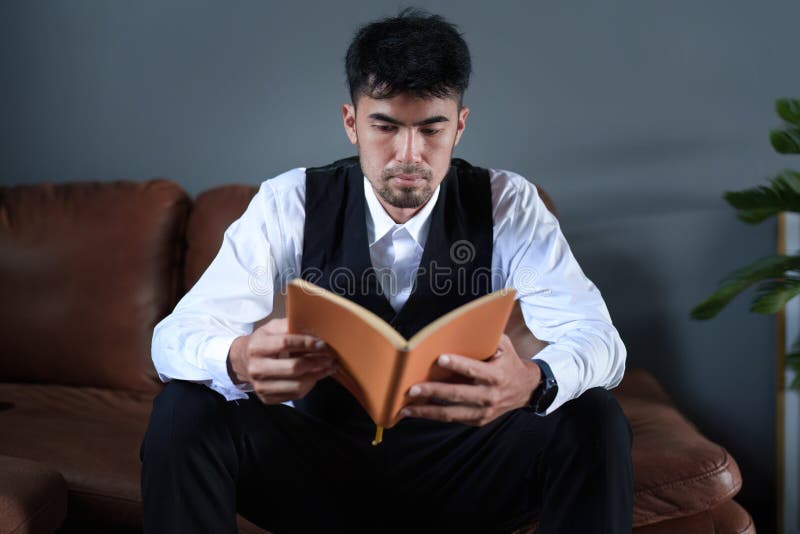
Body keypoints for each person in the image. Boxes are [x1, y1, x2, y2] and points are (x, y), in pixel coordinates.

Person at [141, 8, 633, 534]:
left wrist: (534, 381)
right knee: (183, 409)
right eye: (385, 127)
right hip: (315, 473)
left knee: (593, 417)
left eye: (431, 129)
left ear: (460, 126)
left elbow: (601, 342)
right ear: (352, 122)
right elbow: (173, 338)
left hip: (466, 471)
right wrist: (237, 358)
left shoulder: (508, 204)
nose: (408, 154)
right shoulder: (290, 202)